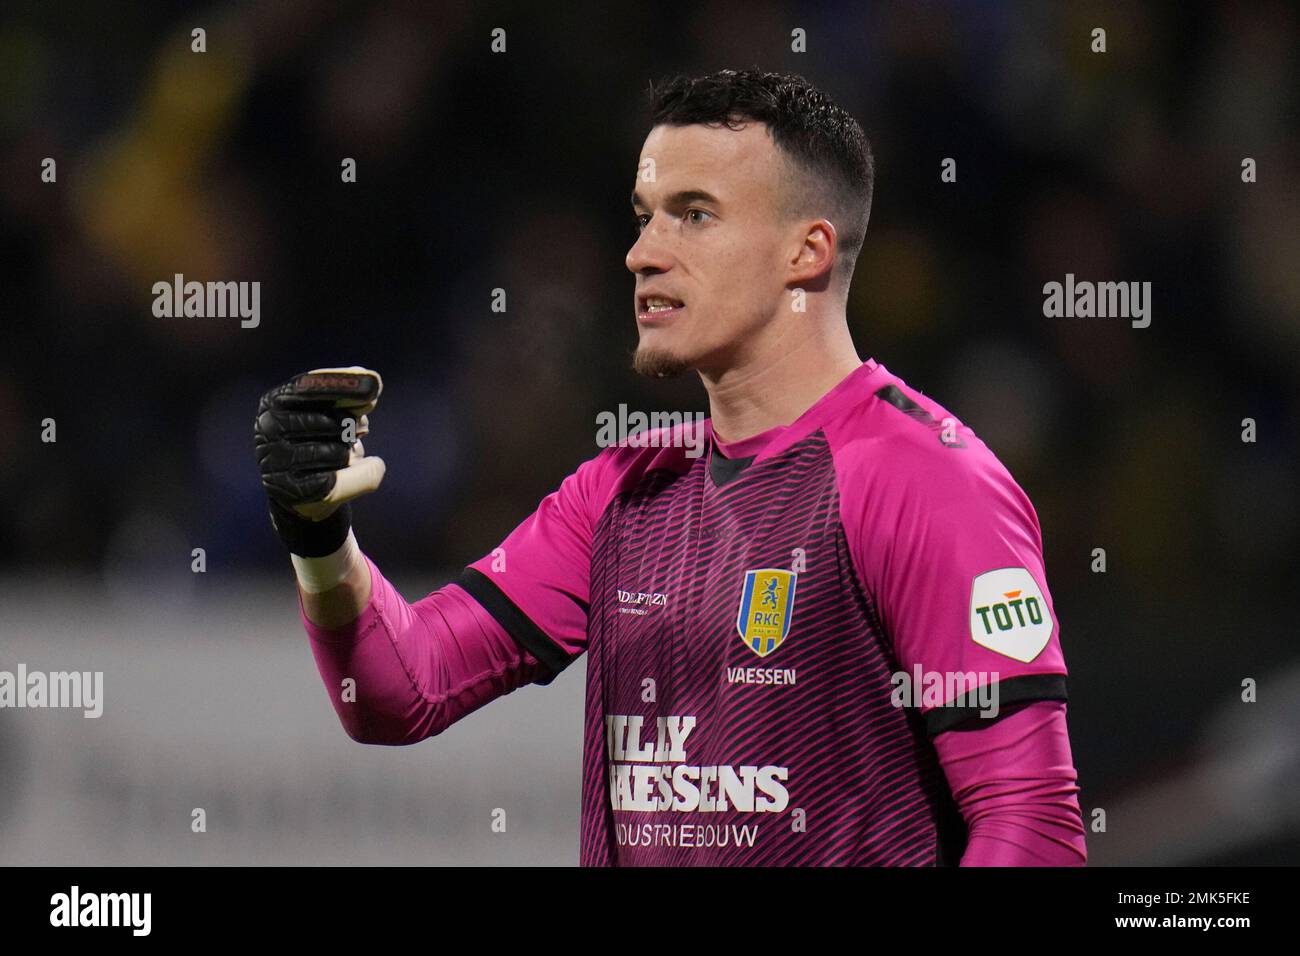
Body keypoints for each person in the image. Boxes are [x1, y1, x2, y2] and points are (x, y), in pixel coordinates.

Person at [254, 69, 1087, 866]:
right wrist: (321, 538)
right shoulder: (621, 492)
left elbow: (1034, 825)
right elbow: (403, 692)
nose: (642, 254)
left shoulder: (925, 482)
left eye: (693, 215)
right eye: (644, 215)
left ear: (807, 252)